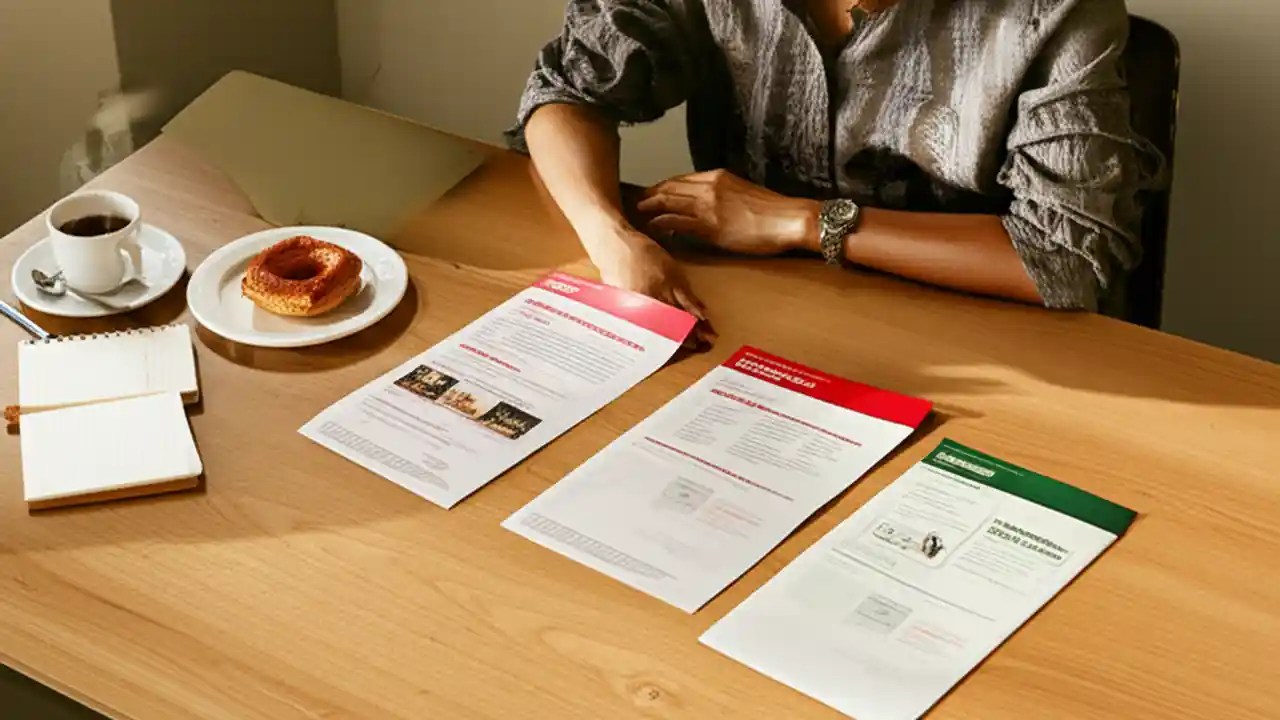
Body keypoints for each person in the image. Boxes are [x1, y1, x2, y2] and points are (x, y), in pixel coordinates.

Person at [507, 0, 1162, 340]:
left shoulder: (1056, 14)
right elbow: (567, 92)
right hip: (750, 319)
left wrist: (803, 222)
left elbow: (1067, 255)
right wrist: (610, 237)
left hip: (981, 333)